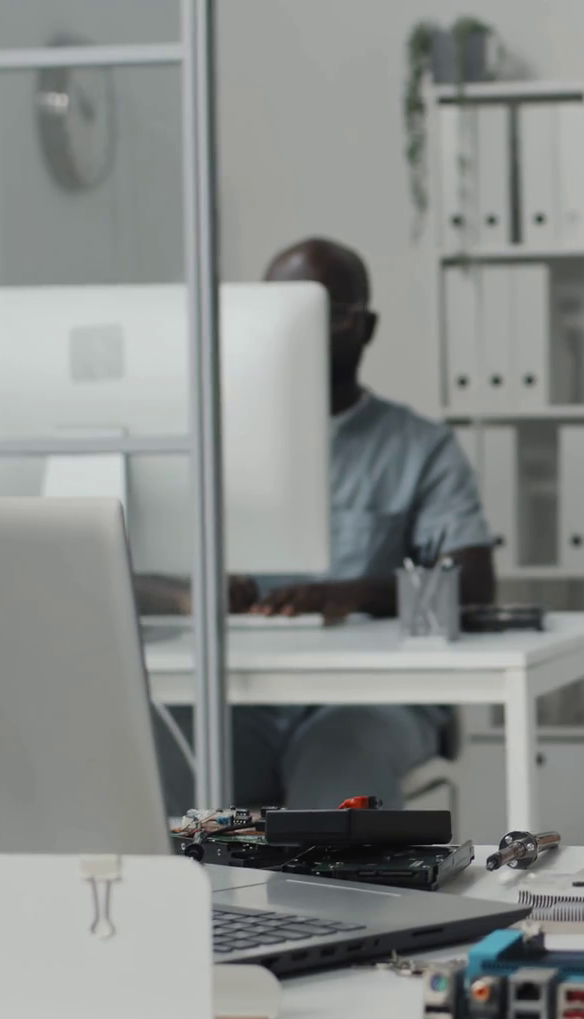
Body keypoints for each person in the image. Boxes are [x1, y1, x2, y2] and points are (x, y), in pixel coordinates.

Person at [144, 237, 497, 812]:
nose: (303, 332)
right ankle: (197, 905)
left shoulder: (420, 448)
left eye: (326, 315)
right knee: (165, 756)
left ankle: (324, 906)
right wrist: (190, 595)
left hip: (373, 698)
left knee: (339, 771)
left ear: (366, 327)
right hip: (240, 696)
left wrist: (346, 596)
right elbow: (120, 568)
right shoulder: (208, 443)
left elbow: (473, 584)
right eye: (285, 315)